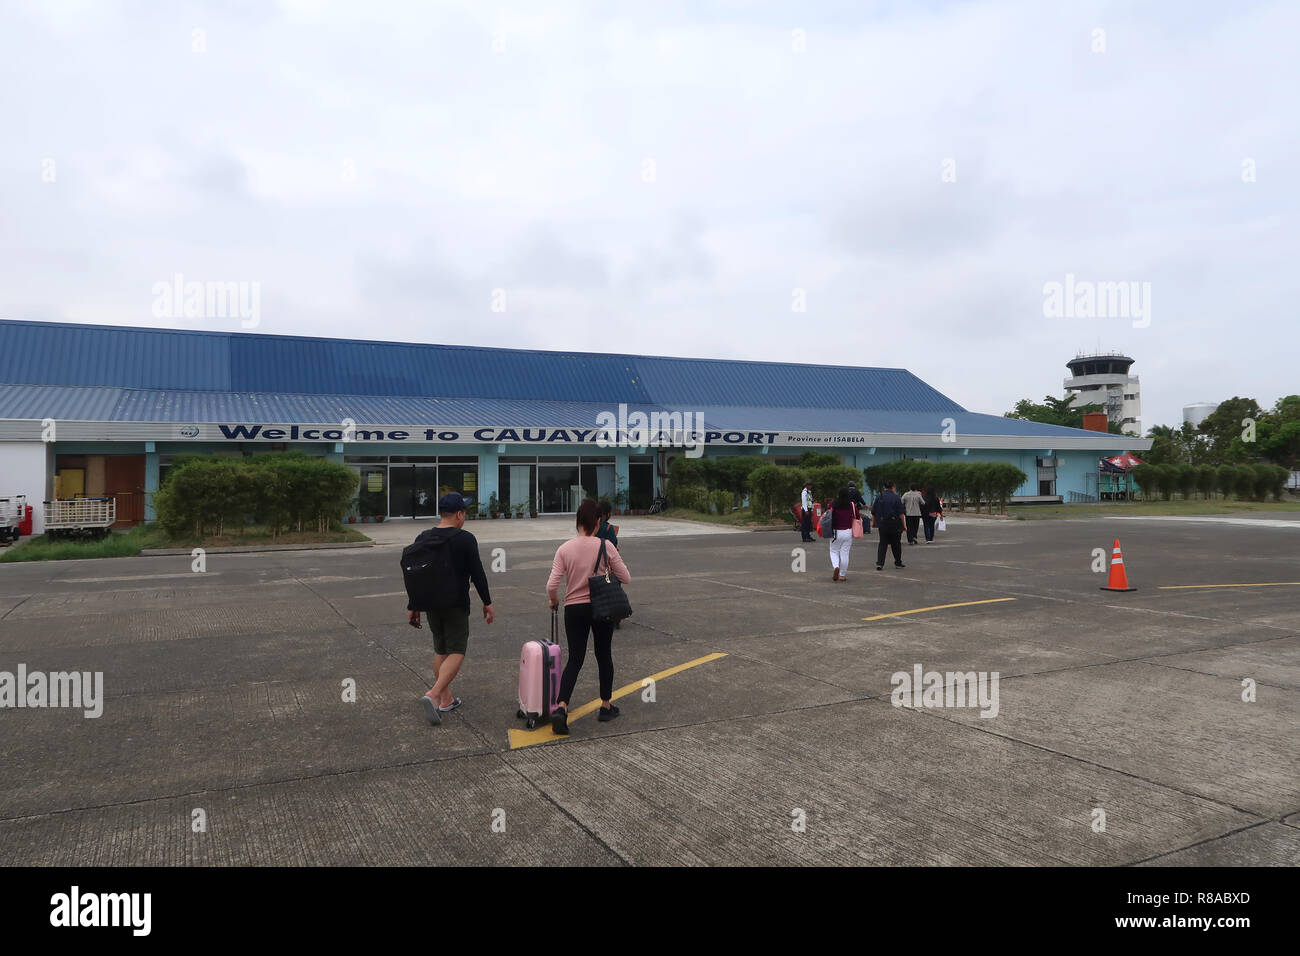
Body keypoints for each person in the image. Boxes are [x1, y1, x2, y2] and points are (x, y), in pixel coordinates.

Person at [408, 492, 494, 726]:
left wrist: (413, 605)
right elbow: (478, 573)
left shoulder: (423, 537)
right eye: (464, 512)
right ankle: (434, 693)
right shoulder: (465, 539)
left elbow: (417, 574)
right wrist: (487, 602)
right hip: (454, 604)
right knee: (457, 650)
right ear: (458, 514)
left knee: (441, 649)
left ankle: (446, 700)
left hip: (430, 604)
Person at [547, 498, 632, 735]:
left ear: (577, 521)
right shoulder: (606, 546)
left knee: (575, 659)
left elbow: (551, 584)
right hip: (602, 608)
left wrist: (554, 600)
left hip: (574, 609)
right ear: (597, 521)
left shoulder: (564, 548)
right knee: (604, 655)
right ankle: (605, 706)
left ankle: (562, 707)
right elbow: (626, 578)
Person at [595, 501, 621, 628]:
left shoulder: (592, 527)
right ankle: (615, 616)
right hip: (608, 565)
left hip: (594, 564)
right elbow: (614, 544)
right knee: (613, 589)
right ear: (606, 515)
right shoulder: (609, 528)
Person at [871, 481, 906, 571]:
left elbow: (874, 512)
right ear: (893, 487)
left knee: (883, 543)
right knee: (896, 544)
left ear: (884, 487)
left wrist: (874, 523)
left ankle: (880, 563)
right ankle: (898, 562)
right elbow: (901, 513)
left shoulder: (879, 497)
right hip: (895, 523)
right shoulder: (896, 497)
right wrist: (904, 525)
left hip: (882, 524)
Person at [828, 486, 859, 582]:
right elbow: (857, 516)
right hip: (848, 532)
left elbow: (828, 515)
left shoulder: (833, 504)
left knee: (834, 551)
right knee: (845, 553)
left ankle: (836, 566)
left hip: (836, 532)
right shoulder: (851, 505)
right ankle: (842, 575)